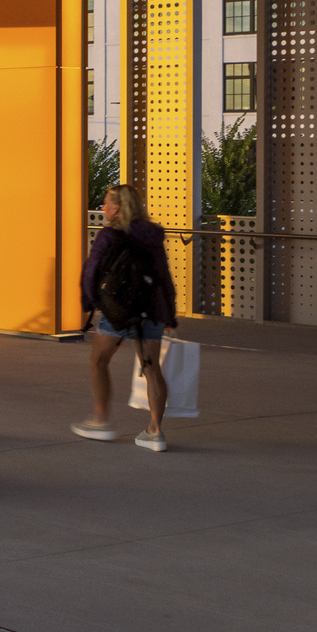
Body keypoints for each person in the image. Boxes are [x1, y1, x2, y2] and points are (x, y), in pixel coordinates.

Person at [73, 183, 179, 451]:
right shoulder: (152, 236)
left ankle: (101, 421)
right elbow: (163, 276)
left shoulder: (109, 235)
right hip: (151, 309)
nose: (104, 207)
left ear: (117, 207)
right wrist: (169, 313)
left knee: (99, 360)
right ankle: (155, 431)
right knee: (151, 368)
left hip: (117, 310)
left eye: (107, 203)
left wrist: (91, 303)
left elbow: (91, 272)